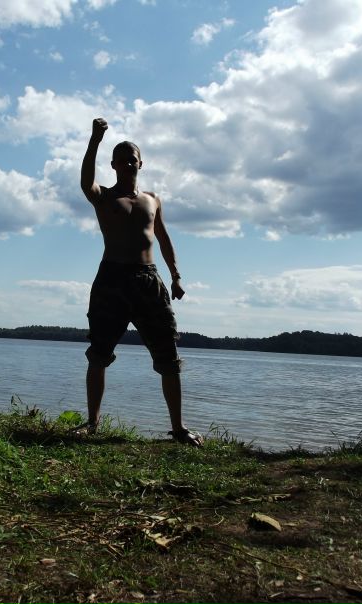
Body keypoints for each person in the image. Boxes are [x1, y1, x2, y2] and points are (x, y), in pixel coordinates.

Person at [77, 117, 203, 446]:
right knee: (99, 353)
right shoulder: (104, 196)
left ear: (140, 163)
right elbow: (86, 182)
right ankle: (92, 423)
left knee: (168, 354)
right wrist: (95, 139)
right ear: (113, 165)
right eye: (121, 159)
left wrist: (176, 276)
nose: (128, 163)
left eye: (132, 158)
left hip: (149, 281)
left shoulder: (152, 199)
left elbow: (163, 238)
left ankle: (178, 429)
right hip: (112, 278)